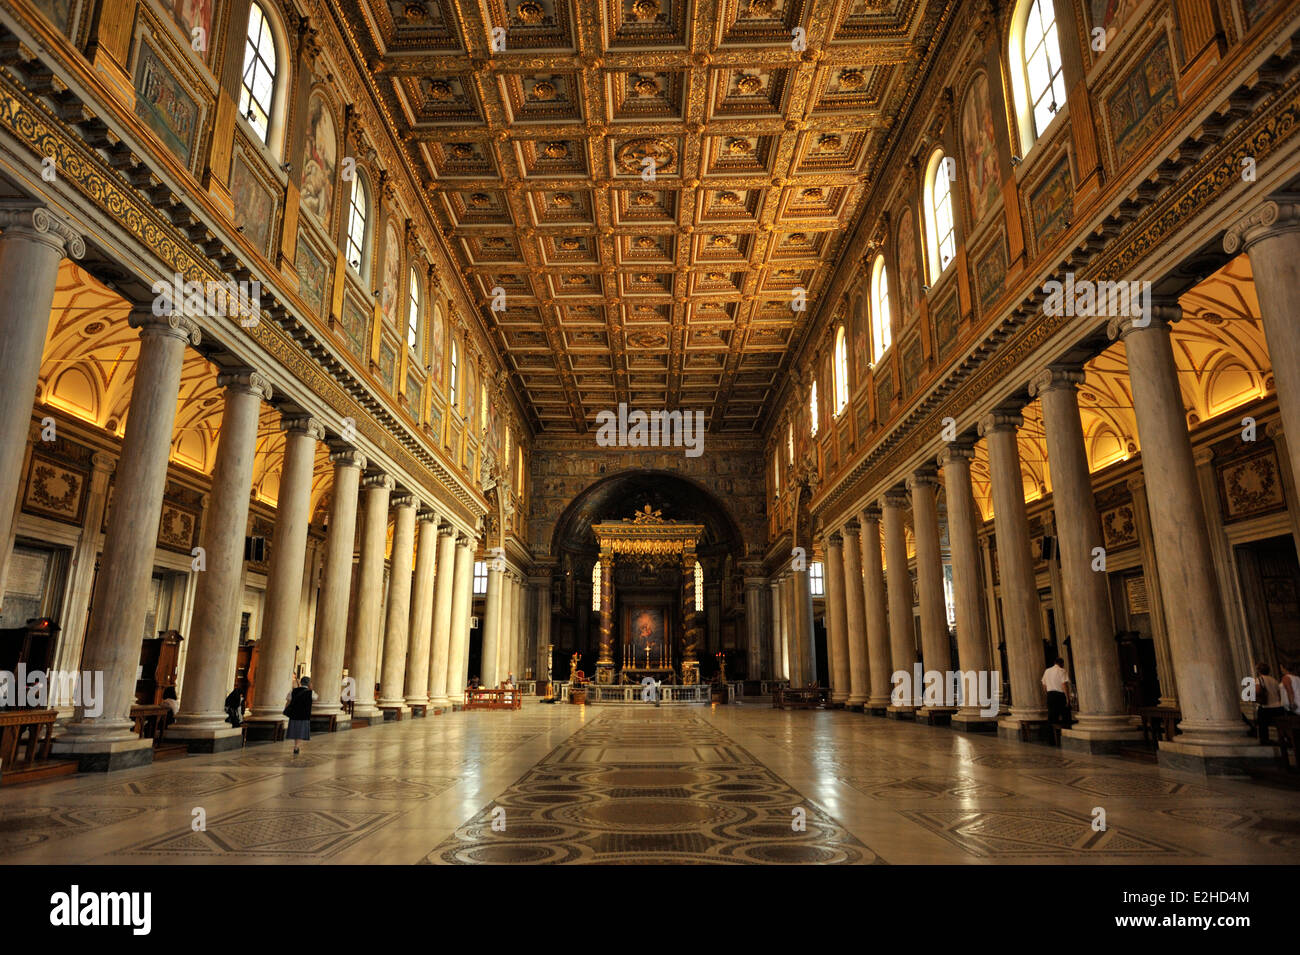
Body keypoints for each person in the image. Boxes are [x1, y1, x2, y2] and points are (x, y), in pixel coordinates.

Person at [285, 675, 316, 756]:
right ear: (309, 683)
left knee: (295, 730)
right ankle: (296, 746)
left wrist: (286, 709)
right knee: (300, 731)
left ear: (301, 683)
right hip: (304, 715)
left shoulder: (293, 691)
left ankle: (296, 746)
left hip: (294, 714)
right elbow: (316, 698)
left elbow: (288, 701)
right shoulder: (311, 692)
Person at [1255, 663, 1286, 743]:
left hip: (1266, 707)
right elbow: (1279, 694)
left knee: (1263, 726)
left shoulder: (1259, 679)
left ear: (1258, 671)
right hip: (1278, 706)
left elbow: (1258, 691)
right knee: (1281, 726)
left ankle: (1265, 740)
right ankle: (1283, 739)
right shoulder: (1274, 680)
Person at [1041, 657, 1072, 729]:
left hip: (1050, 695)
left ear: (1054, 663)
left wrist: (1048, 695)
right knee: (1065, 716)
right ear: (1062, 664)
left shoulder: (1047, 671)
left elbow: (1044, 685)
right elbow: (1064, 684)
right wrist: (1068, 698)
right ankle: (1064, 735)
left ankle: (1052, 738)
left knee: (1052, 717)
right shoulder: (1062, 670)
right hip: (1060, 696)